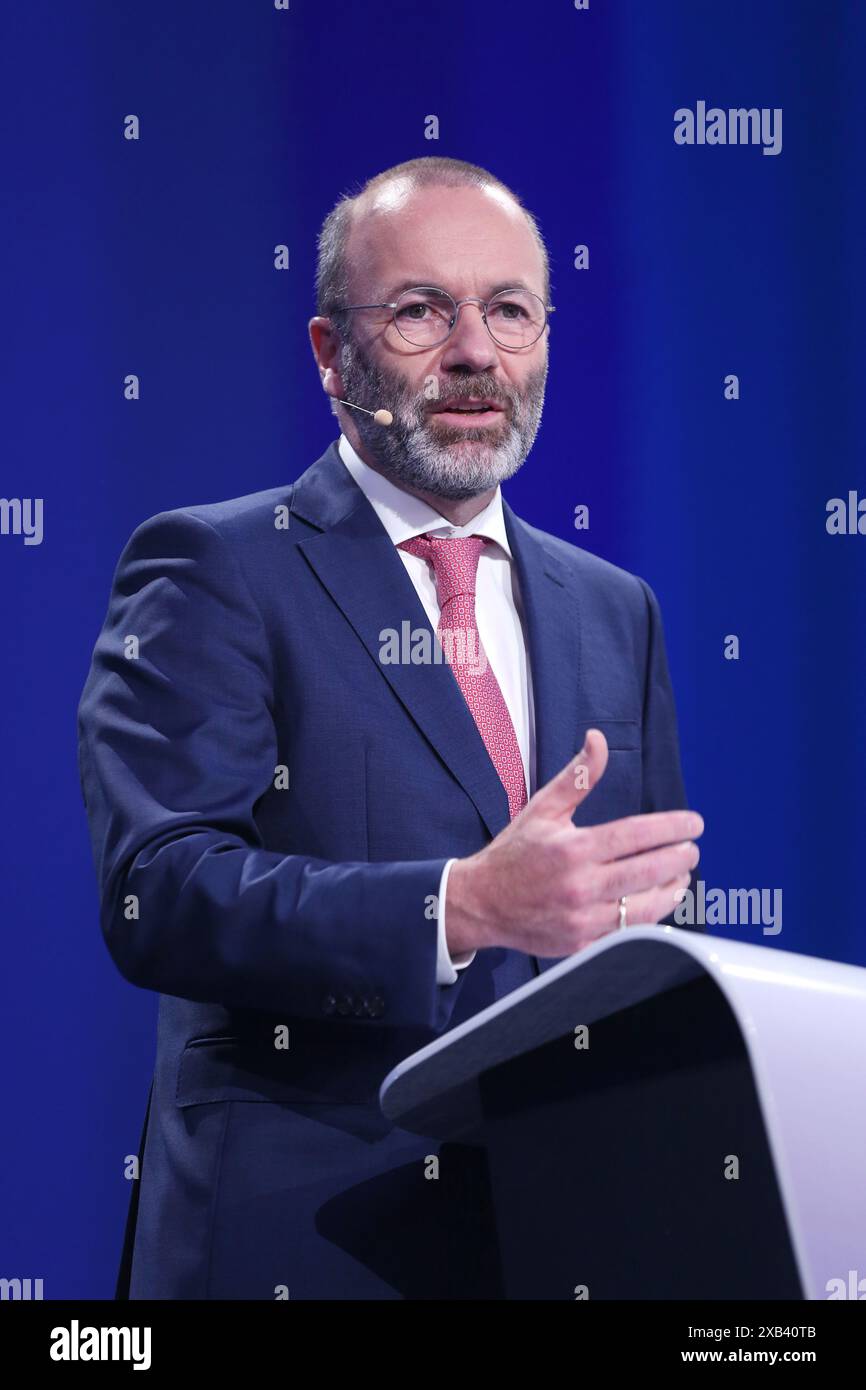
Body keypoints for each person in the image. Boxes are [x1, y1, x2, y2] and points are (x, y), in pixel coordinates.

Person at [77, 156, 703, 1300]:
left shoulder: (618, 610)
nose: (475, 351)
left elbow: (644, 913)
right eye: (421, 309)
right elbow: (155, 891)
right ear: (329, 353)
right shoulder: (217, 565)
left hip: (567, 1237)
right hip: (301, 1243)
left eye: (509, 310)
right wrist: (455, 906)